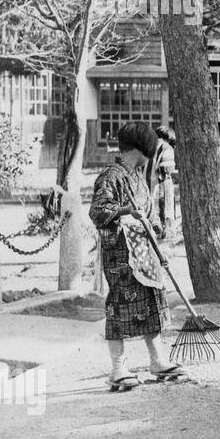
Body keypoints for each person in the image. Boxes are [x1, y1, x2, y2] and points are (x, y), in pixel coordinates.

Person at [89, 121, 183, 391]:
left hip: (144, 252)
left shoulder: (138, 176)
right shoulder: (112, 176)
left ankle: (157, 360)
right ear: (142, 148)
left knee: (151, 301)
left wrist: (154, 228)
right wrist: (125, 211)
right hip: (121, 253)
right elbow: (98, 211)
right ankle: (118, 367)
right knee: (120, 306)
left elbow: (149, 212)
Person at [150, 125, 178, 240]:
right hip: (162, 184)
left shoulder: (149, 147)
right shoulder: (166, 148)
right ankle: (165, 234)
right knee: (165, 210)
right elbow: (166, 169)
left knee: (152, 211)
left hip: (148, 184)